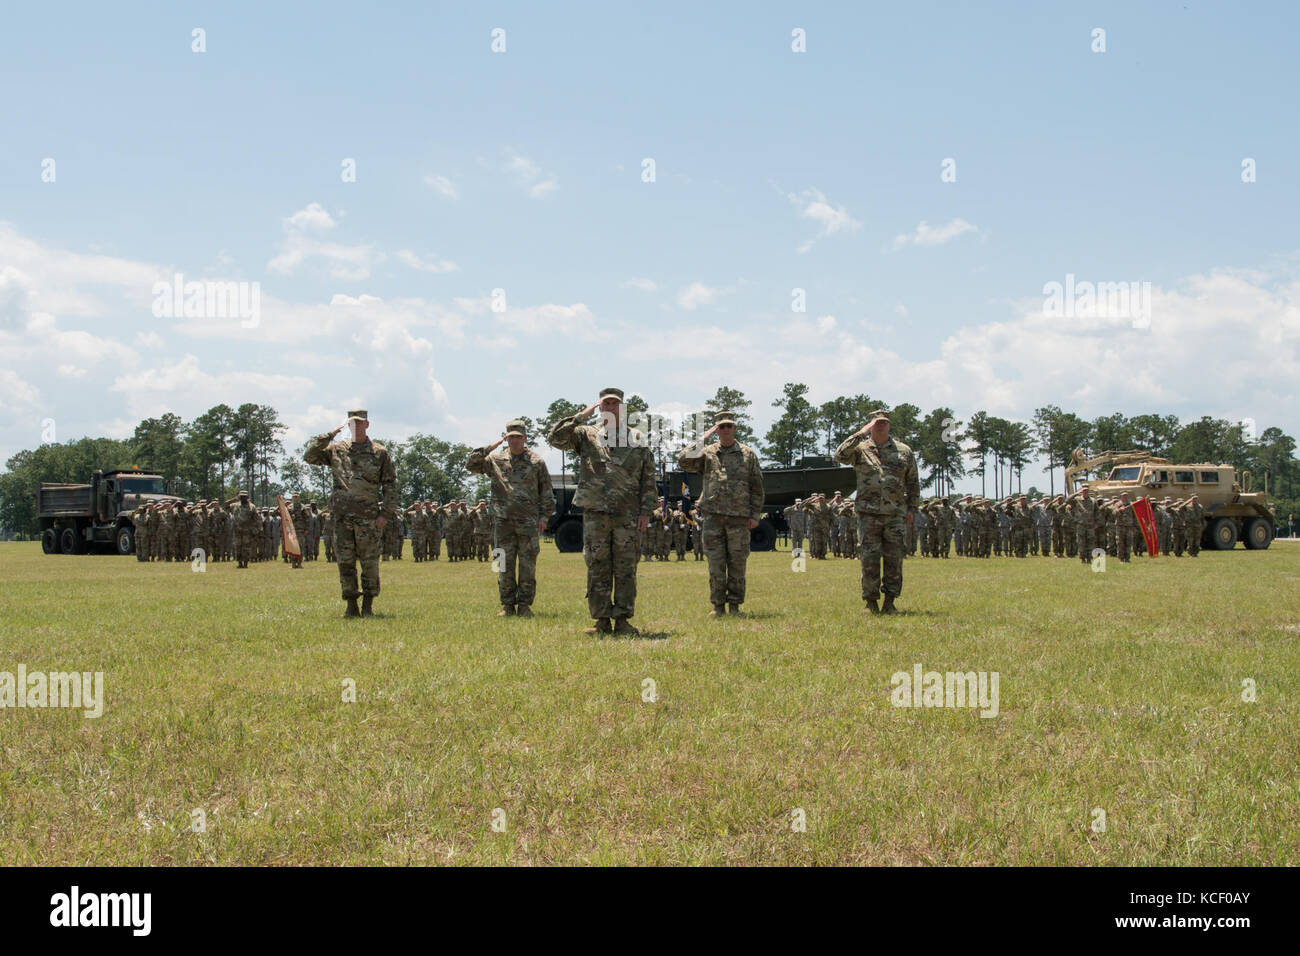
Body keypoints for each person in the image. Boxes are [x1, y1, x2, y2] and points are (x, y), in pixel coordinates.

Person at [548, 387, 655, 636]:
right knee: (597, 565)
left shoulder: (637, 438)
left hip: (627, 513)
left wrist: (645, 511)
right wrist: (581, 416)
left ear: (622, 407)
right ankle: (602, 621)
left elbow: (647, 478)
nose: (610, 407)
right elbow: (555, 438)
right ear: (599, 407)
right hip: (596, 512)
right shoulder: (587, 434)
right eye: (605, 403)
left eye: (615, 403)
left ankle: (623, 620)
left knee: (626, 567)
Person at [304, 410, 398, 618]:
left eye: (360, 423)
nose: (356, 427)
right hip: (342, 518)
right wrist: (329, 435)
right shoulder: (336, 450)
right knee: (345, 562)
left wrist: (385, 514)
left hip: (368, 519)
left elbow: (390, 485)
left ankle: (368, 605)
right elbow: (309, 455)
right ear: (347, 426)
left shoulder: (379, 453)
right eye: (352, 424)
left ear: (367, 425)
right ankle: (351, 604)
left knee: (369, 562)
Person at [678, 410, 765, 616]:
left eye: (729, 426)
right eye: (721, 426)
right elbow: (683, 460)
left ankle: (734, 606)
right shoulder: (707, 453)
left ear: (735, 428)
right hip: (713, 517)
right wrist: (705, 436)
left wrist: (755, 515)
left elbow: (757, 487)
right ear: (717, 429)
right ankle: (718, 606)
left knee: (737, 563)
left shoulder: (747, 454)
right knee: (715, 563)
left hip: (738, 518)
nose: (726, 429)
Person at [834, 409, 919, 615]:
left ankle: (890, 602)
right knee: (869, 559)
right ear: (870, 425)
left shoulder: (904, 451)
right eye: (876, 423)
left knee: (894, 559)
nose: (880, 426)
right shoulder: (860, 449)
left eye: (884, 422)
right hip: (868, 514)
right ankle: (870, 602)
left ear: (889, 425)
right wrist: (861, 433)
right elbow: (839, 455)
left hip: (895, 514)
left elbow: (913, 482)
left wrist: (912, 508)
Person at [467, 420, 552, 618]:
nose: (514, 441)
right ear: (506, 438)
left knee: (527, 566)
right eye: (511, 437)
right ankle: (507, 605)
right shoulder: (495, 460)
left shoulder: (537, 462)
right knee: (502, 564)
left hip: (528, 523)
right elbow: (471, 464)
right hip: (502, 522)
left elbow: (546, 492)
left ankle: (524, 605)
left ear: (525, 438)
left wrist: (545, 517)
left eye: (518, 437)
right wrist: (492, 446)